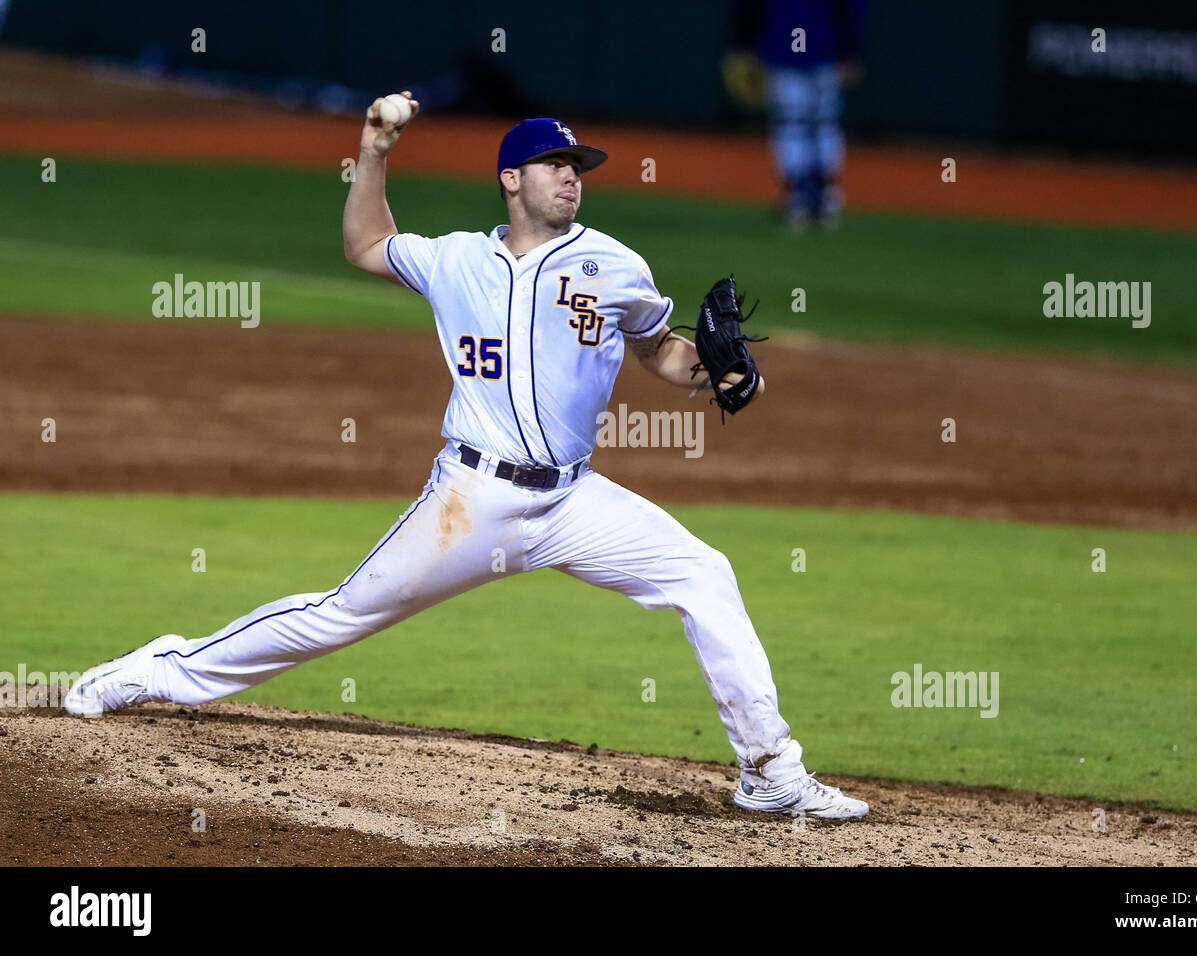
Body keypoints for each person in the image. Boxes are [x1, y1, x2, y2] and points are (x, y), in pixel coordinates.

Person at [64, 95, 869, 820]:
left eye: (578, 167)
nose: (572, 178)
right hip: (471, 501)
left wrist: (717, 373)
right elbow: (366, 244)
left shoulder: (615, 264)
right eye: (556, 165)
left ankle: (771, 773)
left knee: (704, 575)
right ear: (511, 180)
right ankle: (159, 668)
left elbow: (659, 349)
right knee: (342, 614)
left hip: (573, 504)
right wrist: (375, 148)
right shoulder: (455, 260)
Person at [729, 0, 866, 230]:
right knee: (823, 123)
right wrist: (850, 49)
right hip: (823, 44)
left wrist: (746, 43)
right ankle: (824, 197)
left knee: (792, 124)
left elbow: (749, 8)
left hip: (784, 43)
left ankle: (800, 198)